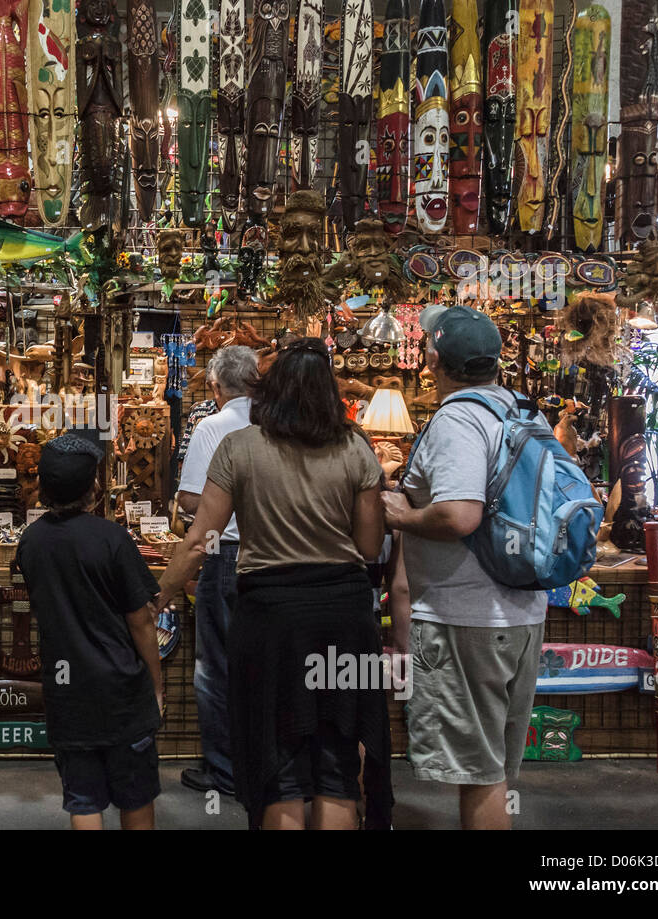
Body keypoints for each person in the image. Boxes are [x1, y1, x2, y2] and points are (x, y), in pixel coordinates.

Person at [157, 339, 389, 830]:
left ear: (270, 390)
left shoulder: (239, 447)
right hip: (344, 618)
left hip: (272, 618)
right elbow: (369, 548)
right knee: (337, 762)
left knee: (277, 758)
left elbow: (201, 540)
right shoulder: (356, 447)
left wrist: (158, 595)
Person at [383, 304, 545, 831]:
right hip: (520, 611)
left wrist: (404, 516)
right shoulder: (524, 411)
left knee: (479, 772)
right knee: (493, 768)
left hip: (469, 618)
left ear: (433, 357)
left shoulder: (457, 419)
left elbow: (459, 513)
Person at [15, 434, 164, 830]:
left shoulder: (30, 543)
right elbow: (141, 621)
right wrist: (157, 684)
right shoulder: (113, 540)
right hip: (122, 689)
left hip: (67, 691)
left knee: (83, 800)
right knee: (136, 795)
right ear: (93, 489)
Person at [173, 345, 257, 797]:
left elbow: (190, 501)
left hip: (224, 554)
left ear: (215, 386)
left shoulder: (213, 426)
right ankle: (268, 765)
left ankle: (225, 769)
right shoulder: (279, 422)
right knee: (265, 665)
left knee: (216, 667)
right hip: (277, 559)